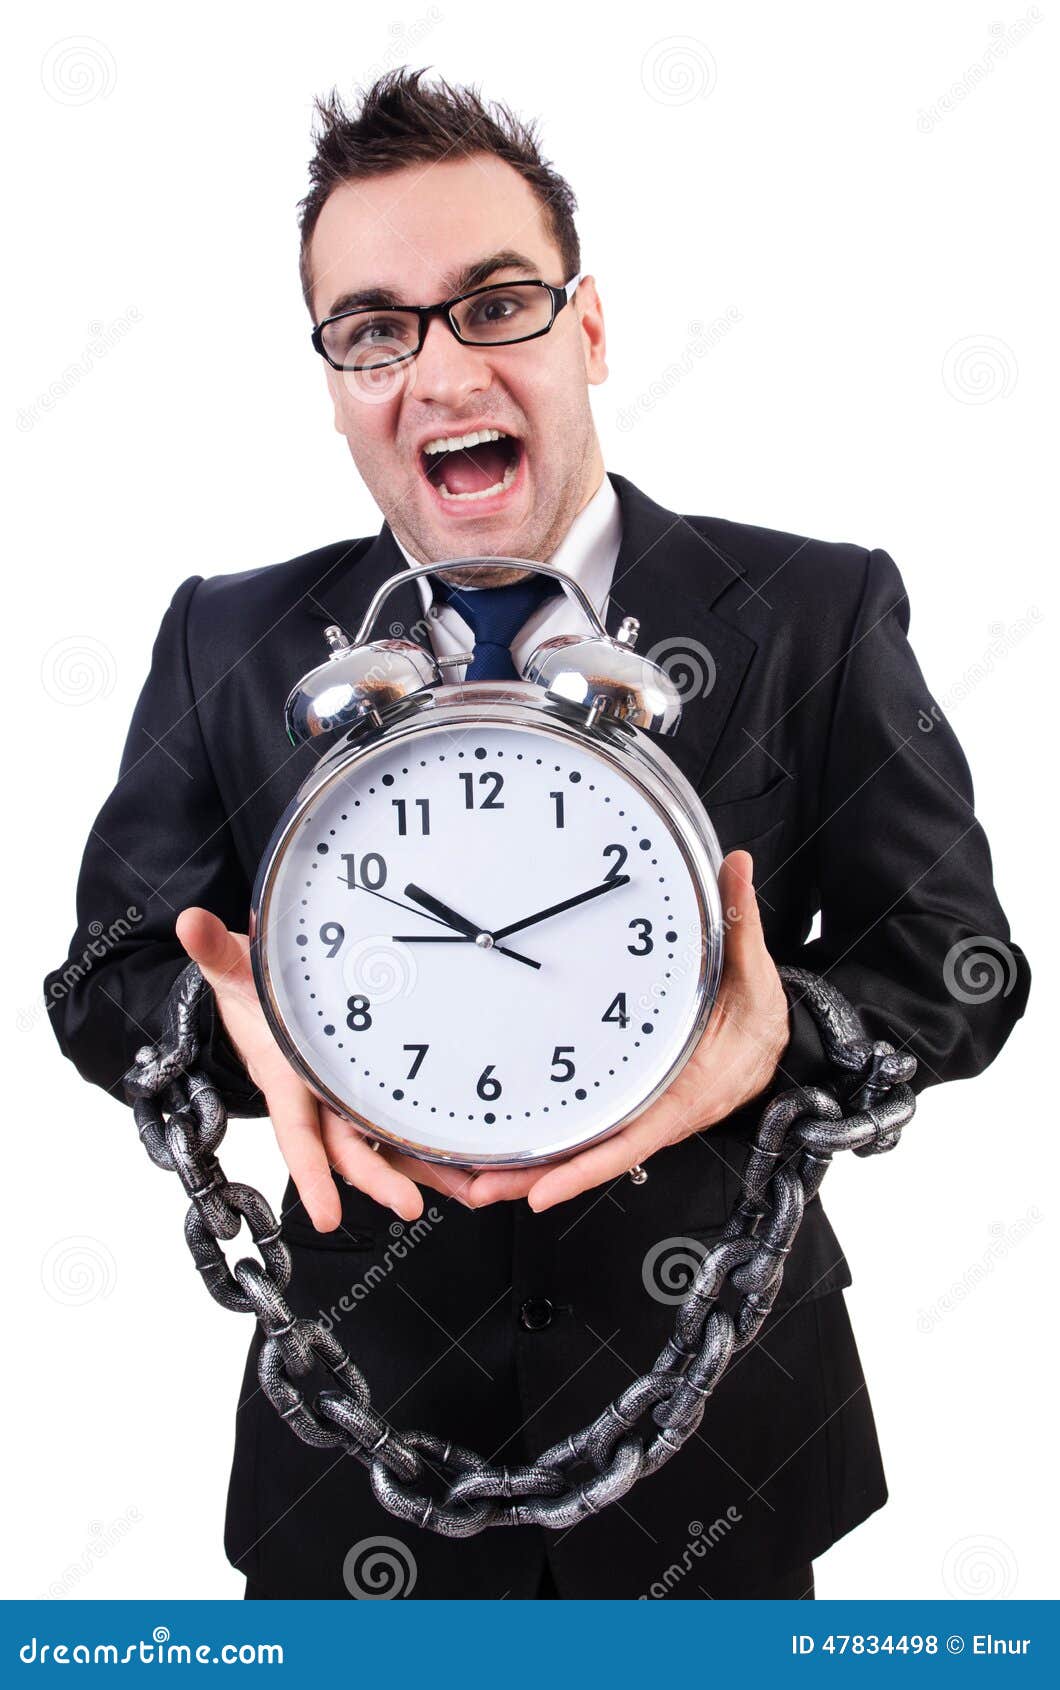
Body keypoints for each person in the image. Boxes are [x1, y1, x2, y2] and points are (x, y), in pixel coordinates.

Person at [45, 69, 1029, 1600]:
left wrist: (771, 1038)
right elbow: (100, 977)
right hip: (358, 1469)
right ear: (334, 378)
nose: (438, 372)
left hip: (721, 1452)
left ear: (588, 329)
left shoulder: (807, 617)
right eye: (375, 328)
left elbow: (961, 968)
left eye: (494, 303)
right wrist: (237, 1017)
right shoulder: (228, 643)